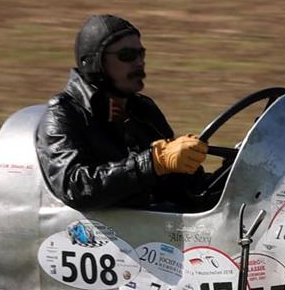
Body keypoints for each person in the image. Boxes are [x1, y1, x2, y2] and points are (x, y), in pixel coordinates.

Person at [36, 15, 208, 211]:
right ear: (95, 62)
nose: (139, 63)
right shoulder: (63, 113)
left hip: (153, 229)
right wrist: (153, 162)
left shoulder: (143, 109)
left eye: (141, 54)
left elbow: (178, 189)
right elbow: (75, 187)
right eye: (127, 55)